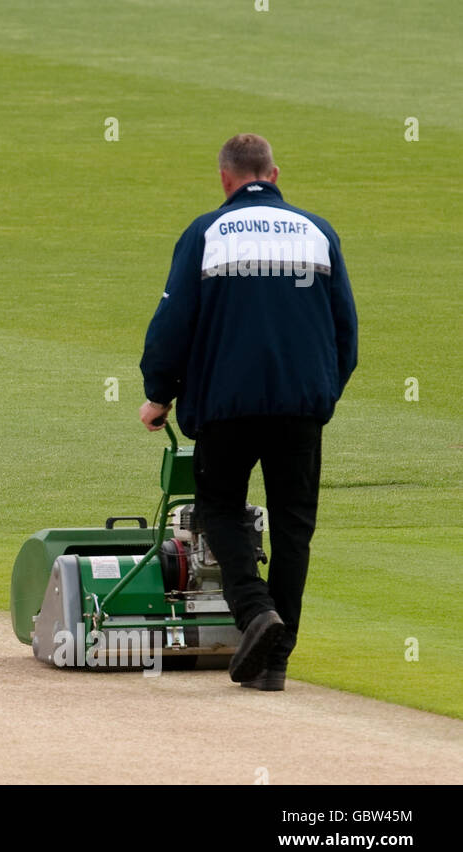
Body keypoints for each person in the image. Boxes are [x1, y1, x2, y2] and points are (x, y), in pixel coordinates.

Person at [138, 134, 357, 690]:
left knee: (218, 508)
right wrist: (321, 394)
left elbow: (172, 325)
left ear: (225, 179)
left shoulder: (207, 233)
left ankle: (257, 615)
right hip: (300, 408)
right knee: (292, 526)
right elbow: (345, 333)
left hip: (226, 407)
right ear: (275, 174)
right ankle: (274, 663)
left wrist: (159, 394)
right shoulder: (317, 232)